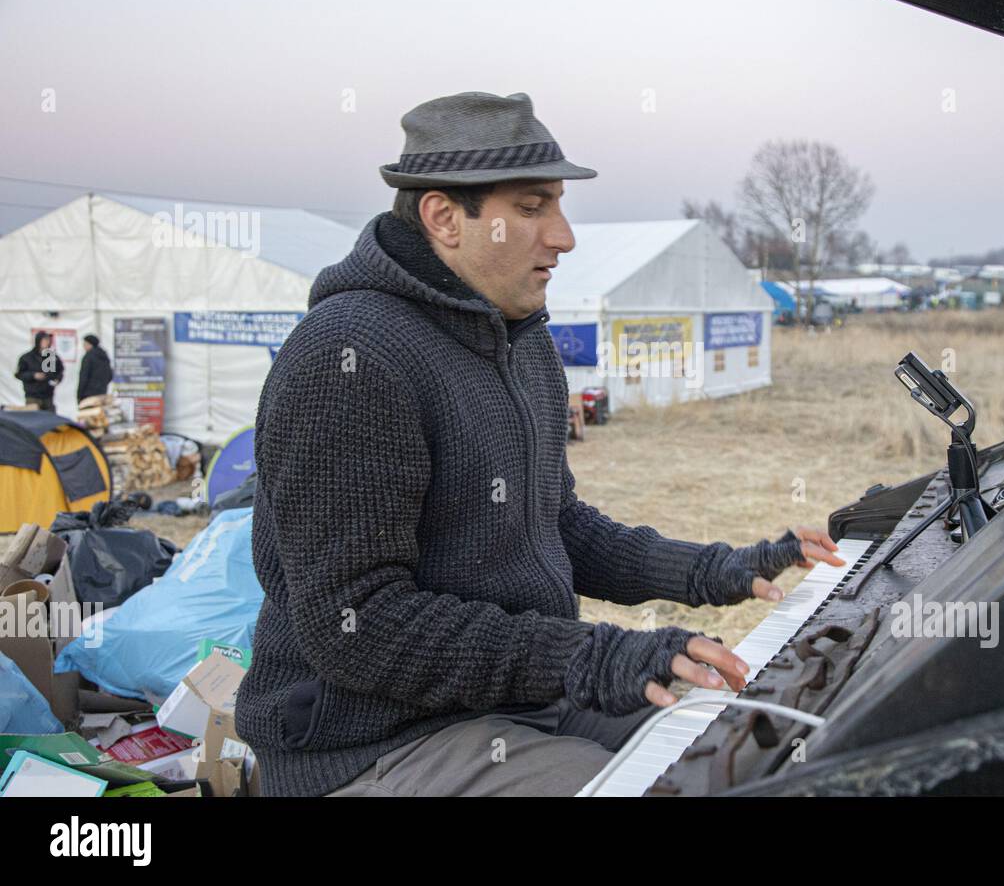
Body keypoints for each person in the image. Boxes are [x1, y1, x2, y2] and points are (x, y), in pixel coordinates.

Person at [234, 92, 845, 797]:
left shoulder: (521, 343)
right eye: (531, 208)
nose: (563, 235)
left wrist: (720, 570)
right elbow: (358, 626)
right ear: (443, 217)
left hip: (510, 697)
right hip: (371, 742)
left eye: (558, 205)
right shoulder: (351, 356)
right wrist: (592, 656)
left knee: (736, 748)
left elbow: (554, 524)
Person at [14, 331, 64, 411]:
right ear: (38, 341)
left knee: (49, 420)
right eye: (44, 340)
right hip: (32, 396)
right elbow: (19, 374)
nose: (46, 342)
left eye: (48, 340)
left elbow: (59, 371)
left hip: (48, 396)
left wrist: (57, 379)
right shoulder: (27, 357)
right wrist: (33, 375)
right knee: (33, 420)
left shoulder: (52, 357)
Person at [77, 334, 113, 403]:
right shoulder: (104, 356)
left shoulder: (88, 357)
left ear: (90, 344)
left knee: (89, 413)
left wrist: (79, 395)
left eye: (85, 344)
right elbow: (110, 375)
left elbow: (83, 377)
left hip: (88, 394)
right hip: (102, 393)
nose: (83, 346)